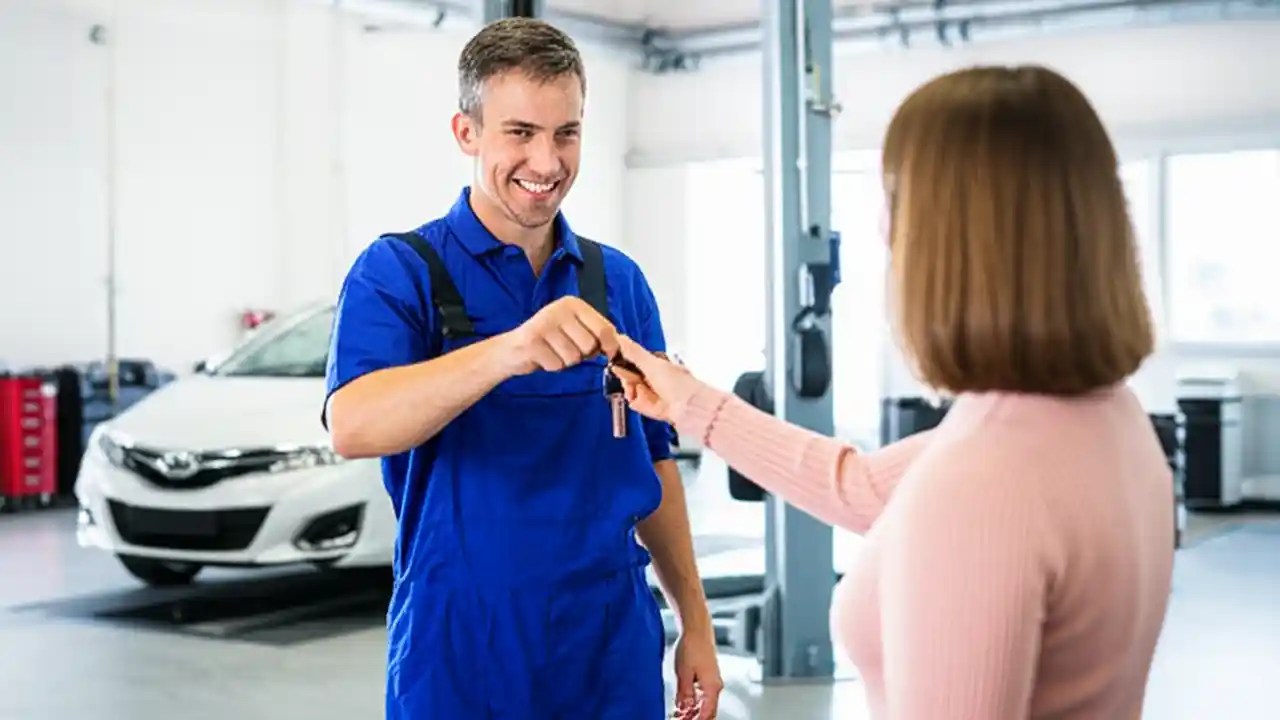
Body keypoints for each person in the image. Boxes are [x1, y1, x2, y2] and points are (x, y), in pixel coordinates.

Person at [613, 65, 1174, 719]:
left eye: (894, 199)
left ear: (954, 237)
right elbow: (861, 488)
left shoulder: (981, 484)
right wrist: (690, 403)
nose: (882, 227)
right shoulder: (1104, 417)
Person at [323, 18, 721, 720]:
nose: (547, 160)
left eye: (567, 133)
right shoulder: (399, 273)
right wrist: (508, 351)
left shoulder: (617, 283)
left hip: (608, 647)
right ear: (466, 132)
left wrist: (695, 620)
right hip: (458, 649)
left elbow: (656, 466)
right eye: (521, 132)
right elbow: (353, 425)